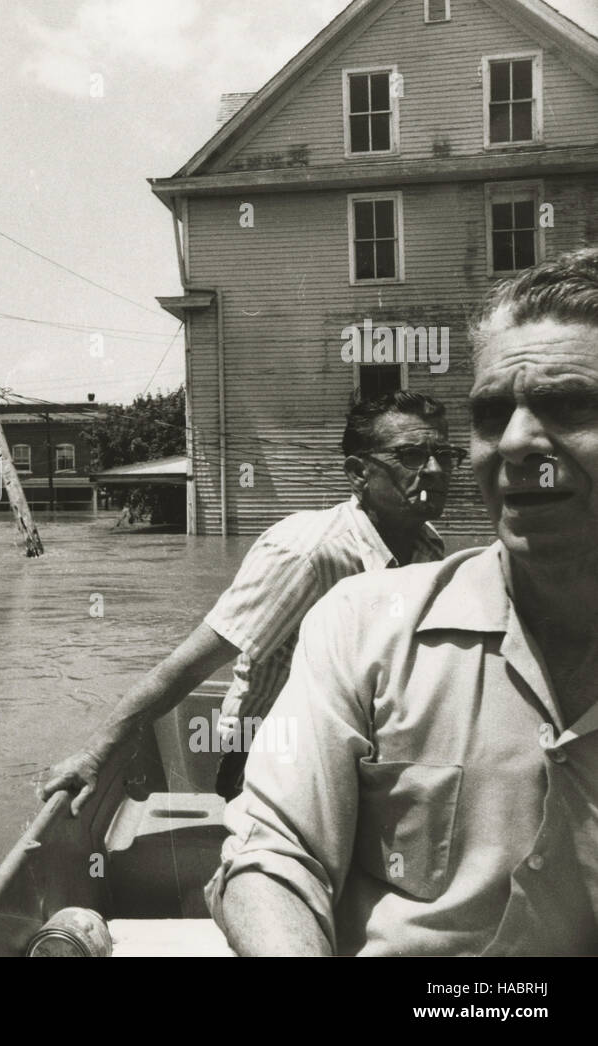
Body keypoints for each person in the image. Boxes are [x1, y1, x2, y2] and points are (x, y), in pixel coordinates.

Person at [207, 247, 598, 956]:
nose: (513, 442)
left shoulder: (424, 545)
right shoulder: (338, 585)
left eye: (567, 406)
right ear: (358, 476)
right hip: (267, 750)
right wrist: (109, 741)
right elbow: (273, 850)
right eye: (488, 415)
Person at [40, 389, 453, 812]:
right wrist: (94, 755)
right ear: (358, 473)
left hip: (361, 752)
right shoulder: (305, 555)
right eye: (411, 456)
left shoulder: (428, 548)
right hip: (270, 761)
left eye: (445, 455)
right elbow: (186, 667)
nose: (436, 470)